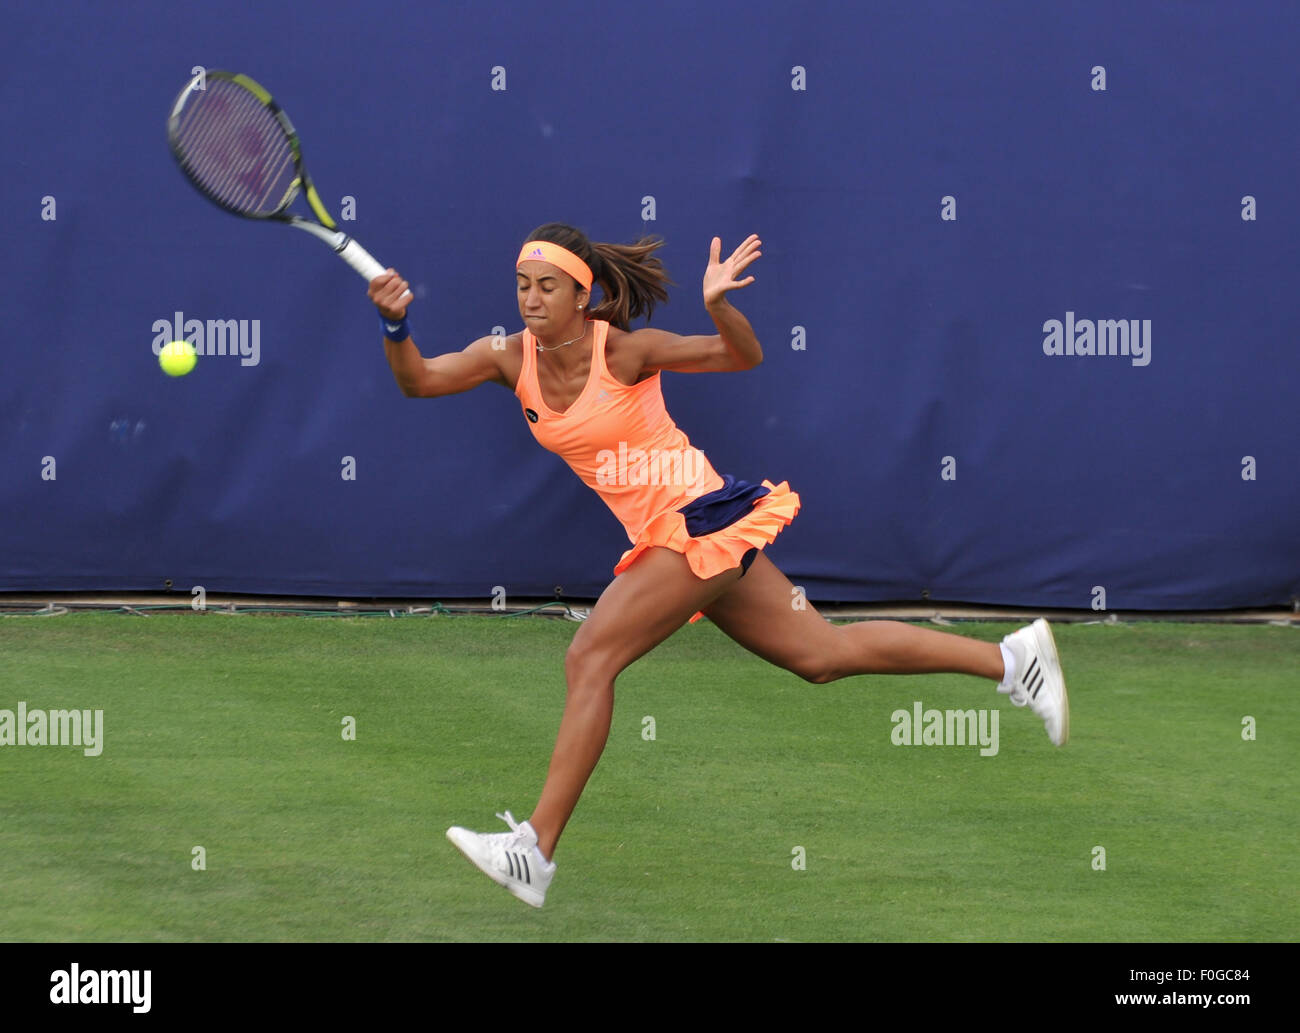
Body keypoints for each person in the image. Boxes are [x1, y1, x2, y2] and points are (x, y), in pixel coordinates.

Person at [368, 223, 1069, 908]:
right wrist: (397, 327)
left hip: (697, 519)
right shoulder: (506, 356)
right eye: (522, 284)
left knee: (590, 658)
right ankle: (1013, 662)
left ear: (582, 295)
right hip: (683, 539)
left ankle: (536, 848)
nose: (530, 298)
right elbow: (420, 380)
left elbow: (741, 356)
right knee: (822, 655)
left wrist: (719, 306)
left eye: (547, 286)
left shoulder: (628, 351)